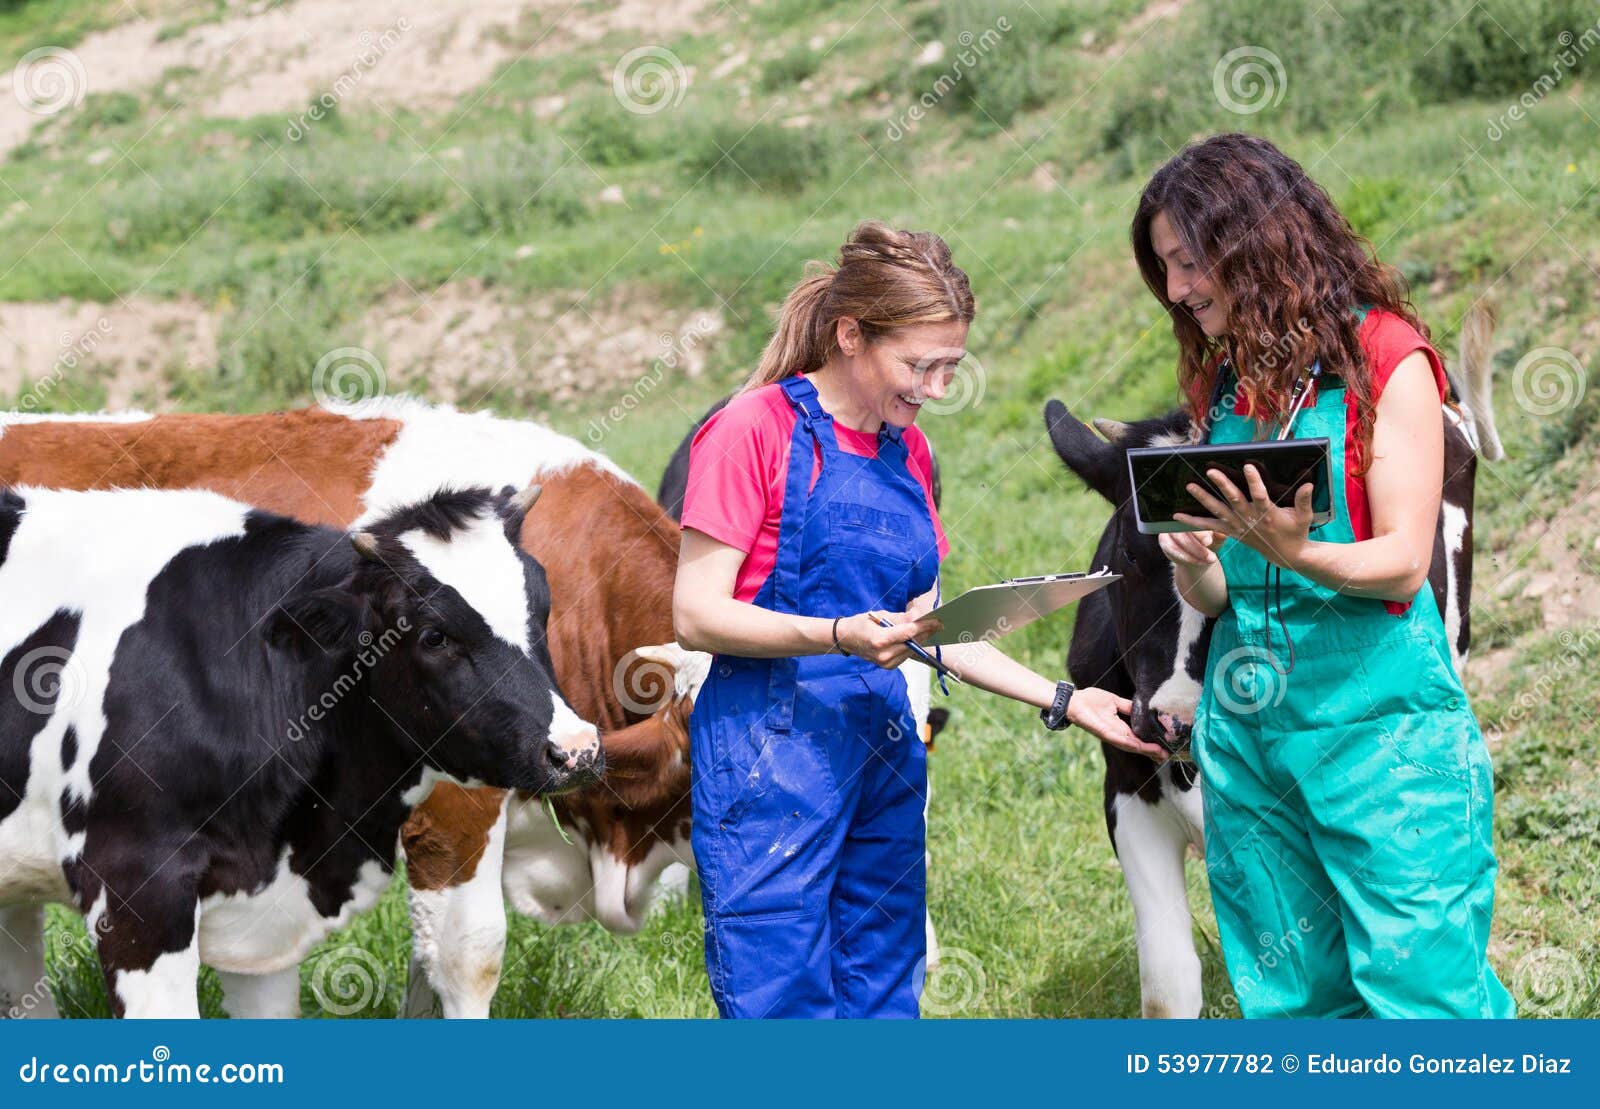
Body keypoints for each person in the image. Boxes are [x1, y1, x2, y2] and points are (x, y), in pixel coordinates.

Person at [672, 221, 1161, 1019]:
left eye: (950, 366)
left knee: (885, 990)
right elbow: (694, 613)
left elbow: (931, 627)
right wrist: (837, 634)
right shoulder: (751, 428)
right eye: (918, 364)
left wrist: (1067, 699)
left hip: (883, 747)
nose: (936, 387)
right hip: (768, 759)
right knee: (781, 1002)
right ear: (850, 335)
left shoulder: (912, 453)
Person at [1139, 133, 1513, 1018]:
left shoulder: (1387, 355)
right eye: (1165, 269)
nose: (1178, 290)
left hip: (1381, 732)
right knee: (1295, 1001)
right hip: (1253, 738)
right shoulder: (1227, 381)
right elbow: (1228, 596)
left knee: (1426, 992)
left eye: (1189, 261)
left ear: (1253, 239)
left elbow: (1403, 560)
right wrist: (1197, 568)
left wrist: (1293, 549)